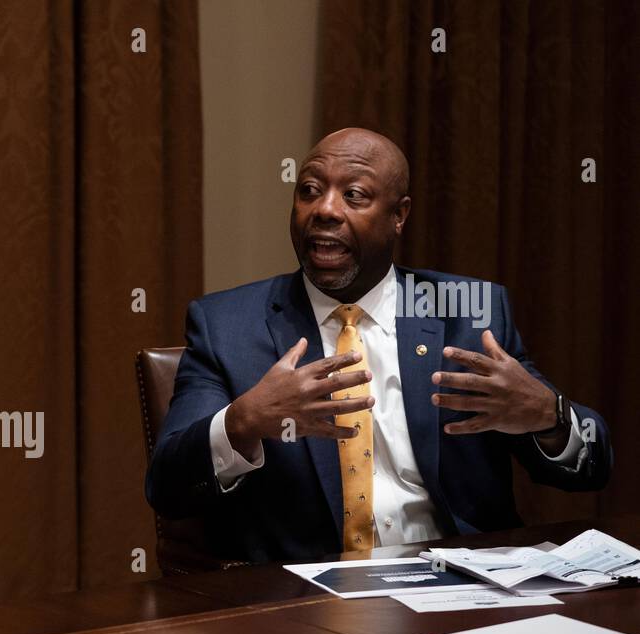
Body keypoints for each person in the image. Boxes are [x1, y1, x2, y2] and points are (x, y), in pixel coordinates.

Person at [146, 128, 610, 564]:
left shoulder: (467, 312)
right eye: (309, 190)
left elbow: (591, 467)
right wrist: (245, 421)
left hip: (461, 587)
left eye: (354, 195)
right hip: (305, 605)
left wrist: (550, 414)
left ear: (399, 215)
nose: (324, 210)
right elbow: (167, 486)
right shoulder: (226, 325)